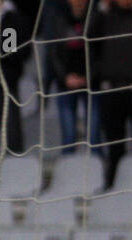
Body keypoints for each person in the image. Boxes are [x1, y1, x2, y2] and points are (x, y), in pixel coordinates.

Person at [87, 0, 132, 188]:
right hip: (111, 90)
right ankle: (113, 186)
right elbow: (89, 39)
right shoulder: (103, 20)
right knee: (114, 144)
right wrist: (101, 10)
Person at [41, 0, 101, 154]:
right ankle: (68, 172)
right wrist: (64, 77)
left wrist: (90, 76)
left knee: (94, 136)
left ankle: (99, 172)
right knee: (68, 136)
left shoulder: (96, 19)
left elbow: (103, 51)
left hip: (92, 84)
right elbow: (53, 53)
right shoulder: (57, 19)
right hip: (65, 84)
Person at [0, 0, 31, 153]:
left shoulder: (11, 18)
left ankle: (12, 153)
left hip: (6, 77)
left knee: (9, 116)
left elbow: (9, 51)